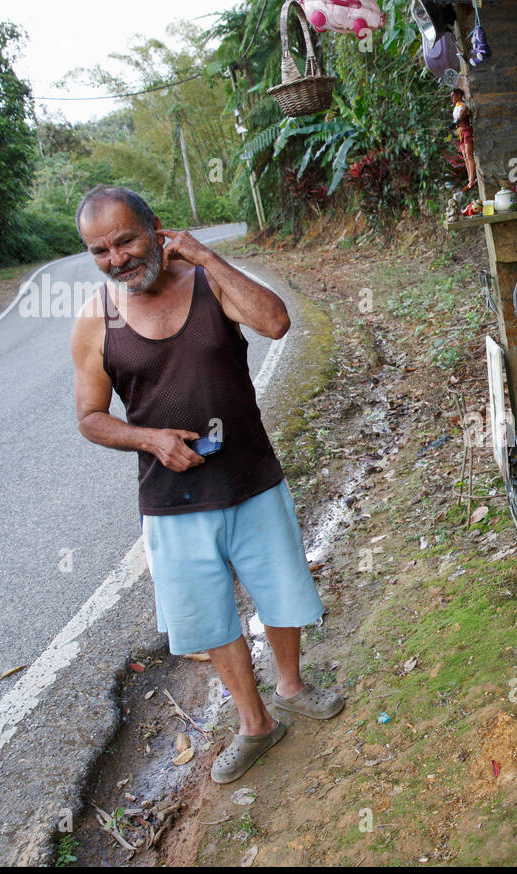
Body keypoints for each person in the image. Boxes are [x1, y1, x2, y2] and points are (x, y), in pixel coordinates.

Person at [69, 185, 343, 785]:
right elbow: (90, 417)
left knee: (280, 589)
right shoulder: (97, 321)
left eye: (125, 240)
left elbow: (275, 321)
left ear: (156, 229)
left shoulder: (208, 282)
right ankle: (255, 725)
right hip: (170, 500)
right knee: (209, 615)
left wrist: (209, 258)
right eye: (99, 250)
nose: (116, 259)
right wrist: (151, 440)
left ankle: (292, 686)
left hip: (250, 474)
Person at [450, 88, 477, 190]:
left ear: (459, 95)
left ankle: (471, 179)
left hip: (466, 131)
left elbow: (461, 116)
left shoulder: (463, 106)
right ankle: (470, 178)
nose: (452, 98)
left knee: (469, 155)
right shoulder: (456, 108)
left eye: (454, 96)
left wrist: (455, 123)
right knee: (465, 155)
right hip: (461, 132)